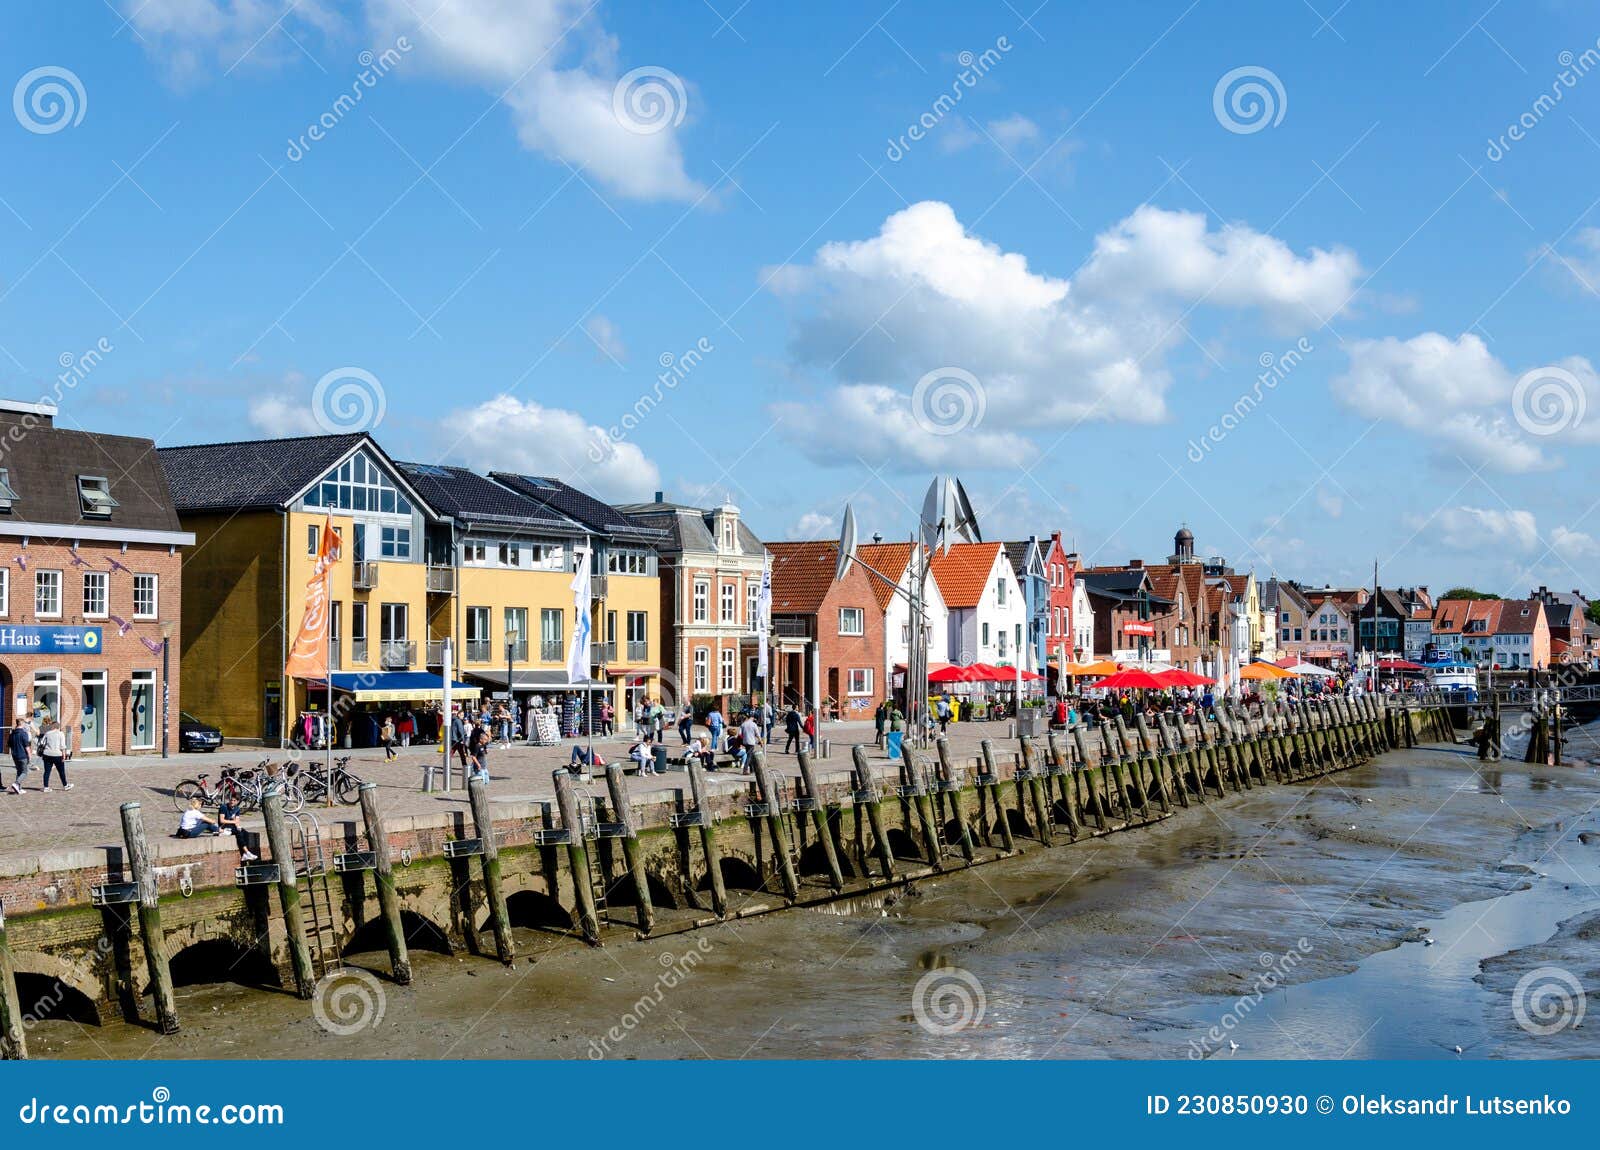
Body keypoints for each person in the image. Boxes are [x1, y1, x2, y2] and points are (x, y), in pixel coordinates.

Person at [215, 796, 259, 861]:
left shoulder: (237, 809)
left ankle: (246, 854)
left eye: (234, 800)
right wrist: (234, 822)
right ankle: (247, 852)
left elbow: (237, 821)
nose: (232, 802)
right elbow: (222, 820)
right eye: (231, 800)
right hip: (224, 826)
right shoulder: (223, 807)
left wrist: (238, 826)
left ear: (237, 802)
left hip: (232, 826)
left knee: (245, 833)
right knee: (239, 833)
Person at [39, 721, 69, 791]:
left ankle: (46, 787)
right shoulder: (61, 734)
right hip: (57, 755)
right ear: (58, 727)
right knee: (61, 771)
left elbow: (41, 743)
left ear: (53, 726)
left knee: (47, 771)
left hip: (47, 754)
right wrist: (64, 756)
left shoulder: (47, 733)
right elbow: (62, 746)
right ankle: (65, 785)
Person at [7, 720, 31, 794]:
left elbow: (9, 744)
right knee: (24, 772)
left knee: (19, 771)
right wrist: (29, 756)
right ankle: (16, 783)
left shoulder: (12, 734)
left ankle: (18, 788)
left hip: (15, 755)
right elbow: (27, 746)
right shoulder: (24, 733)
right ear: (22, 724)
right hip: (22, 755)